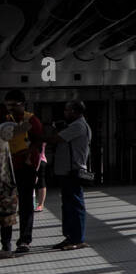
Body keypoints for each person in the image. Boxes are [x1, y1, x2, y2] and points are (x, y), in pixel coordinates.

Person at [44, 101, 93, 250]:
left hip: (73, 171)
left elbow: (55, 139)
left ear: (74, 112)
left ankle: (77, 239)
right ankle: (70, 236)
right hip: (67, 171)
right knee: (68, 205)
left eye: (67, 110)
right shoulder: (74, 125)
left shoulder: (78, 126)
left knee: (75, 205)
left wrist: (49, 132)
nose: (64, 113)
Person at [2, 89, 43, 255]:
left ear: (23, 104)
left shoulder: (32, 120)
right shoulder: (5, 119)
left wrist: (28, 154)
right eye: (8, 105)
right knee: (6, 206)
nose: (10, 108)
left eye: (14, 105)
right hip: (6, 168)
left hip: (26, 167)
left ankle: (24, 241)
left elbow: (38, 141)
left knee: (26, 204)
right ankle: (6, 243)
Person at [0, 126, 17, 257]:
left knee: (6, 216)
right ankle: (6, 247)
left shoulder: (3, 141)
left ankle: (6, 247)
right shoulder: (4, 141)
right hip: (7, 183)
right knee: (6, 217)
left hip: (5, 184)